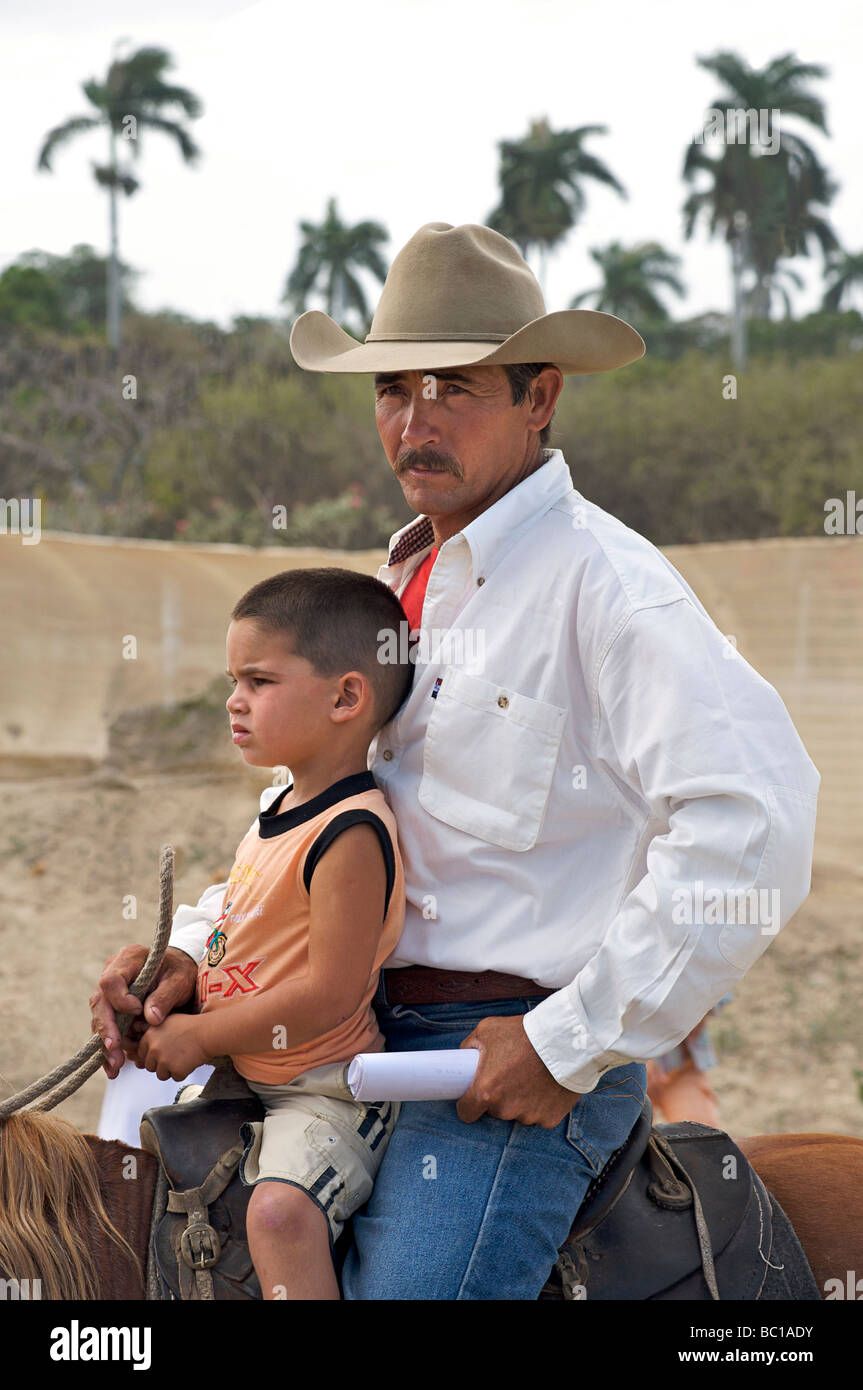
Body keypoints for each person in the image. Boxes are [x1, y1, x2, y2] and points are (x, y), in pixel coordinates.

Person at [92, 222, 820, 1301]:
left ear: (541, 397)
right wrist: (197, 950)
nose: (412, 416)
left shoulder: (610, 592)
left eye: (454, 386)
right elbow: (307, 821)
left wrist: (563, 1043)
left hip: (500, 1069)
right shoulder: (391, 589)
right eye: (392, 387)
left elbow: (754, 826)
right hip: (344, 1032)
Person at [115, 566, 414, 1299]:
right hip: (251, 1073)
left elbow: (330, 991)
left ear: (347, 696)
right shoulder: (279, 807)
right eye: (232, 679)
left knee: (279, 1213)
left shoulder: (349, 831)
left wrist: (200, 1038)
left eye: (259, 680)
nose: (233, 701)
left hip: (321, 1089)